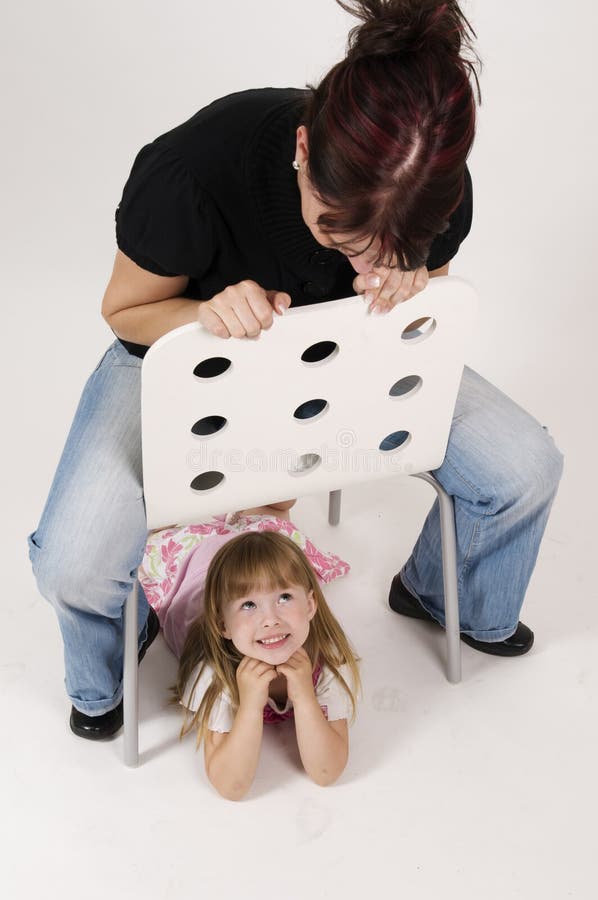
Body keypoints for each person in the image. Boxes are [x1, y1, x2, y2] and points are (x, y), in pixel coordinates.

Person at [28, 0, 563, 742]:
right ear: (303, 149)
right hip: (180, 358)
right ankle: (115, 652)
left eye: (387, 247)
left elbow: (428, 299)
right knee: (76, 561)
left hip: (347, 353)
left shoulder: (431, 189)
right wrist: (205, 310)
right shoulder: (194, 170)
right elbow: (125, 312)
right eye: (338, 234)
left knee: (523, 470)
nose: (362, 263)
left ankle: (446, 598)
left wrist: (415, 287)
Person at [148, 528, 359, 798]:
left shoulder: (328, 657)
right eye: (249, 605)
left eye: (284, 598)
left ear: (310, 604)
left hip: (240, 556)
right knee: (169, 535)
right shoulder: (213, 671)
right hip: (193, 571)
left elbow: (327, 772)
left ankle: (252, 517)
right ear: (222, 625)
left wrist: (305, 695)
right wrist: (249, 705)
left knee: (269, 517)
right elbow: (232, 787)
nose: (270, 619)